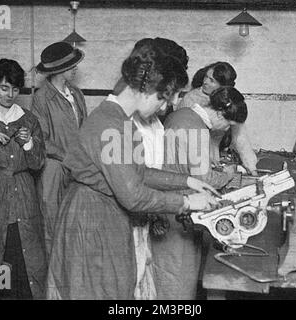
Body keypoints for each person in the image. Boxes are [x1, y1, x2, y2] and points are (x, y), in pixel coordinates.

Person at [47, 38, 219, 300]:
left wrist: (189, 181)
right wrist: (187, 202)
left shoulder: (123, 121)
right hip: (91, 219)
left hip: (108, 215)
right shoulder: (108, 124)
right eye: (162, 98)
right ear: (145, 90)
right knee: (96, 291)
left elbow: (140, 172)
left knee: (116, 288)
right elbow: (134, 195)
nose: (164, 107)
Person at [152, 86, 249, 300]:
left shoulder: (180, 114)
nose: (225, 130)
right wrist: (228, 174)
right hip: (180, 209)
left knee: (163, 276)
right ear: (220, 114)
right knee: (178, 282)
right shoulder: (197, 128)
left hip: (167, 202)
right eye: (228, 124)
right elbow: (203, 178)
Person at [112, 37, 189, 300]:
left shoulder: (152, 114)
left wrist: (186, 184)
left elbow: (147, 169)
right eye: (169, 91)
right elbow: (134, 183)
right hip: (127, 216)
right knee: (131, 282)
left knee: (143, 276)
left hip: (144, 211)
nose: (173, 102)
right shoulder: (125, 117)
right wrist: (181, 201)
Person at [31, 42, 87, 257]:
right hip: (53, 169)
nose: (76, 69)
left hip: (75, 167)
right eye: (72, 65)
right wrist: (68, 157)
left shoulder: (77, 94)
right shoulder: (41, 98)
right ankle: (52, 285)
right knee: (52, 226)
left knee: (74, 226)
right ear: (59, 70)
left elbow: (86, 129)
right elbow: (41, 138)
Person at [0, 59, 47, 299]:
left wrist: (28, 143)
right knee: (2, 261)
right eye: (4, 88)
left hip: (25, 199)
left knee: (26, 260)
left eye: (15, 89)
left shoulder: (28, 120)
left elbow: (38, 165)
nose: (10, 94)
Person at [177, 61, 258, 175]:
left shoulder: (227, 99)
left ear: (222, 86)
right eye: (206, 77)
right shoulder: (191, 99)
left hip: (214, 149)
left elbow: (240, 137)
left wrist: (252, 167)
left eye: (212, 80)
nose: (205, 82)